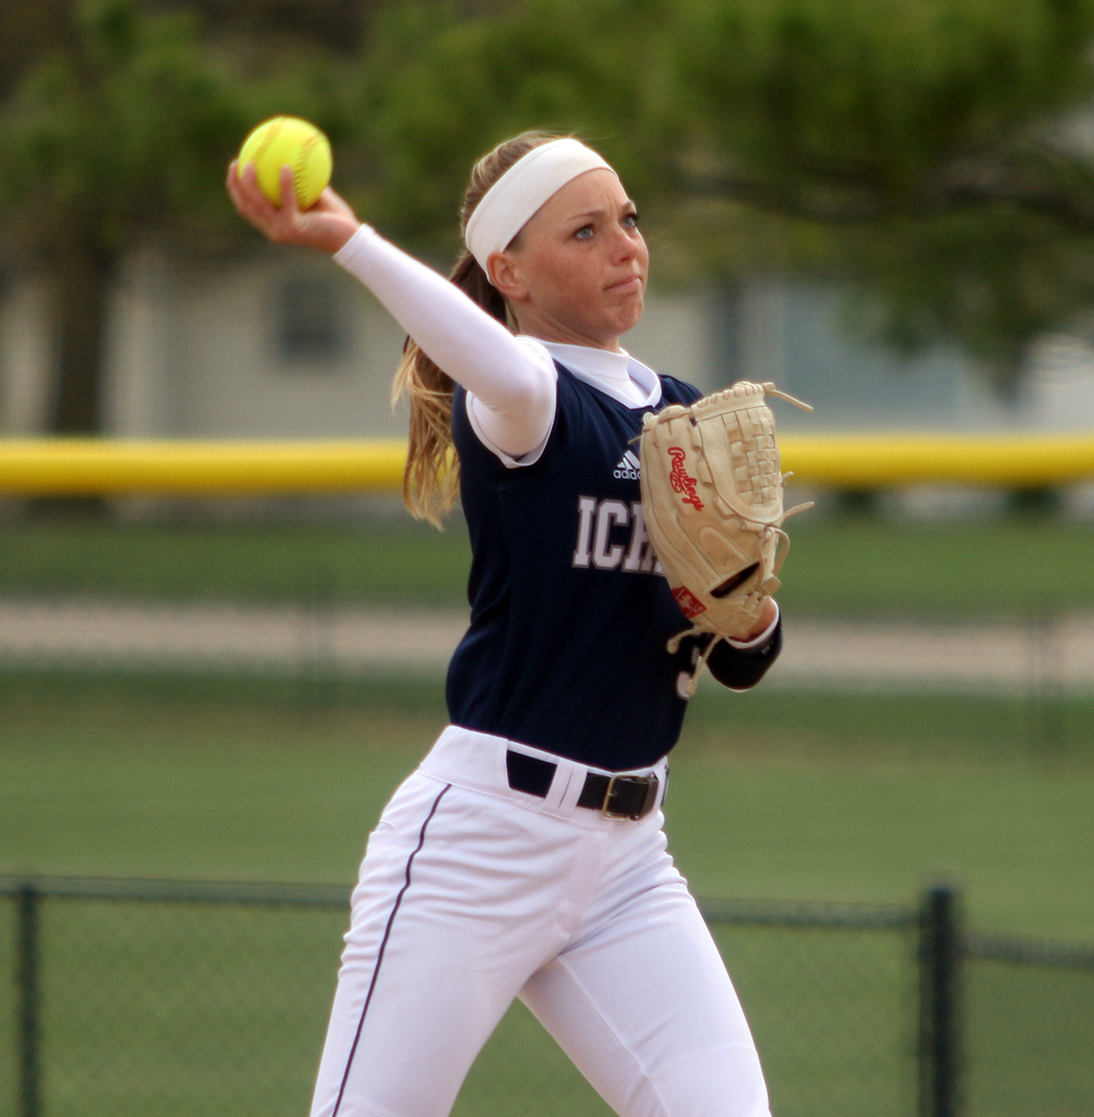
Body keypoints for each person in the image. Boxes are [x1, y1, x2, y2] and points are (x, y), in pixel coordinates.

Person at [227, 130, 783, 1117]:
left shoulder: (683, 420)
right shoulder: (522, 405)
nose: (624, 245)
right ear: (506, 271)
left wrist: (747, 617)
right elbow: (506, 370)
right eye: (584, 229)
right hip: (478, 843)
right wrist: (349, 241)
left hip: (626, 860)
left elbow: (735, 658)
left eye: (627, 219)